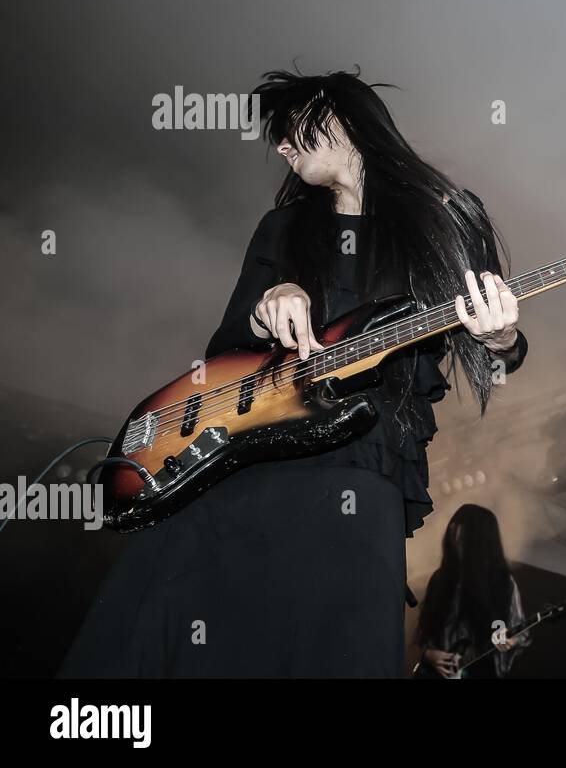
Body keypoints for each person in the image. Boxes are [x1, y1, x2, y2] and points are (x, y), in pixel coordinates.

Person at [60, 68, 527, 677]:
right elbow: (224, 349)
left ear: (342, 118)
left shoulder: (447, 218)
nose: (279, 143)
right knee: (161, 619)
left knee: (332, 641)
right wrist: (269, 299)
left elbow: (500, 357)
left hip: (359, 459)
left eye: (292, 126)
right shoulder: (281, 227)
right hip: (243, 454)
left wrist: (501, 337)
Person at [415, 504, 530, 679]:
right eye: (452, 532)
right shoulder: (440, 579)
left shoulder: (502, 583)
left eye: (462, 537)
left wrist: (510, 639)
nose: (454, 539)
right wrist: (429, 655)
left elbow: (518, 630)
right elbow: (425, 635)